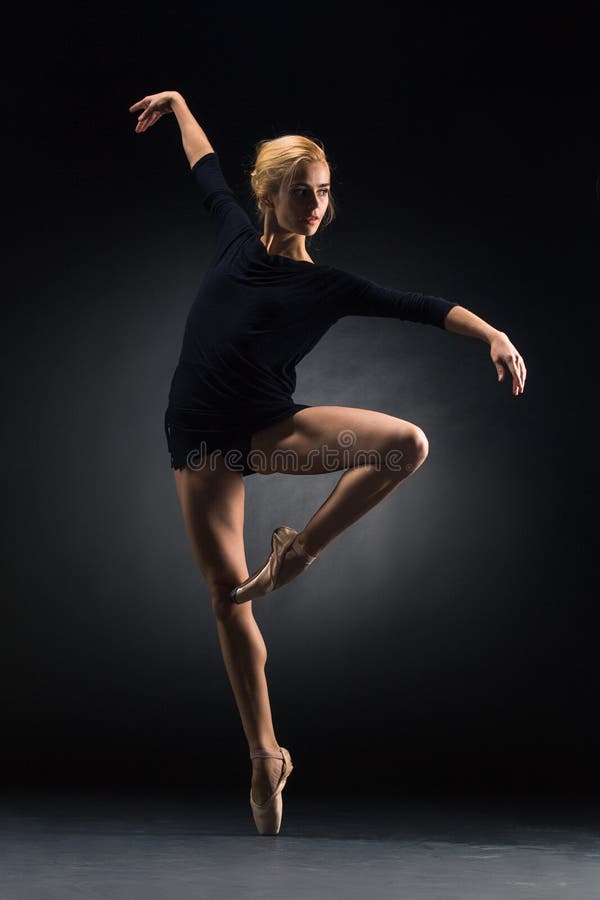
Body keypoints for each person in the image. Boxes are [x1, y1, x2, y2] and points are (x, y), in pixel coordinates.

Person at [129, 90, 527, 835]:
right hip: (200, 441)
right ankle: (265, 756)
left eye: (324, 193)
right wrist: (181, 106)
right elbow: (204, 165)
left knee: (406, 444)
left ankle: (301, 551)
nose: (316, 205)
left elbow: (421, 305)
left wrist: (493, 333)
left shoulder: (327, 285)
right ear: (268, 197)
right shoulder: (231, 237)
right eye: (300, 193)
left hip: (269, 430)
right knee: (227, 594)